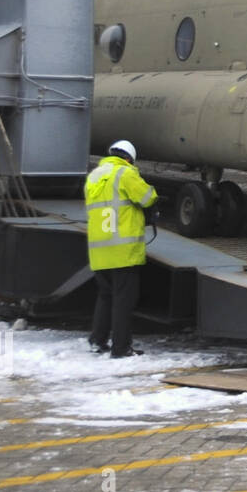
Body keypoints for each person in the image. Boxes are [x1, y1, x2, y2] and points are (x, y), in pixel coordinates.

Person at [85, 140, 157, 357]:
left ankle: (97, 340)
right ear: (128, 158)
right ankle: (121, 348)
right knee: (123, 301)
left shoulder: (94, 176)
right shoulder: (125, 173)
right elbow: (148, 198)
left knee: (105, 296)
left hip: (99, 249)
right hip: (123, 250)